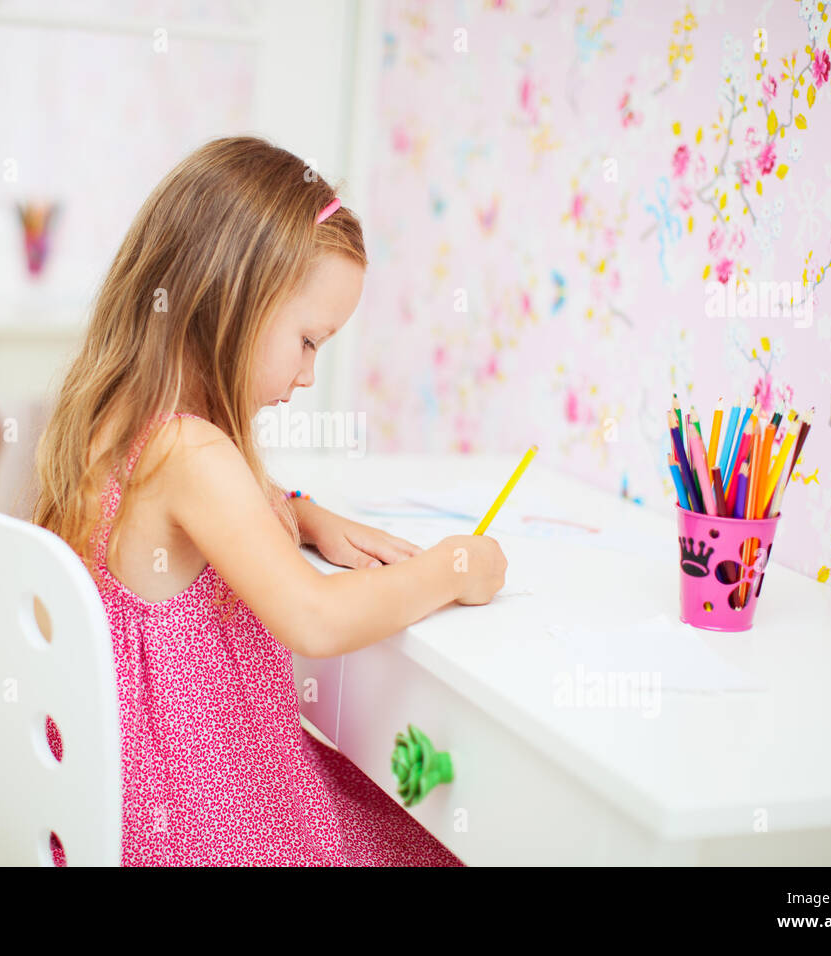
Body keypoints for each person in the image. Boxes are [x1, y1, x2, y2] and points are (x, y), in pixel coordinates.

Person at [33, 136, 506, 866]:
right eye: (309, 340)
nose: (311, 374)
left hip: (117, 794)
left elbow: (212, 512)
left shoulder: (118, 417)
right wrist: (453, 567)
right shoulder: (194, 454)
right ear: (228, 298)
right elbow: (315, 620)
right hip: (204, 820)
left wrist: (305, 513)